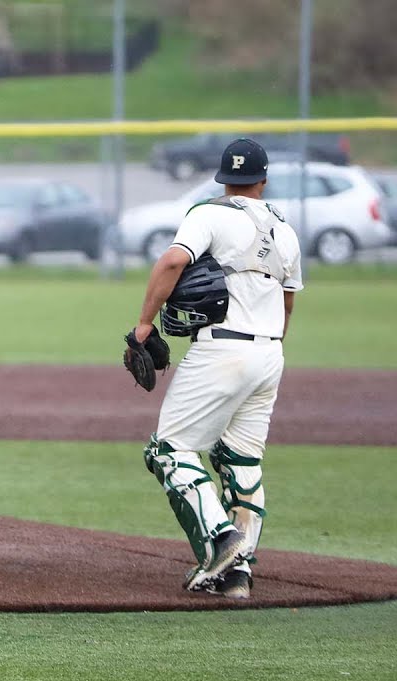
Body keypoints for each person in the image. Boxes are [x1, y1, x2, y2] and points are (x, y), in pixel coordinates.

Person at [136, 138, 302, 600]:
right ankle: (237, 576)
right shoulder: (285, 230)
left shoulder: (208, 213)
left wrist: (145, 323)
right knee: (240, 459)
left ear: (223, 179)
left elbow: (173, 260)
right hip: (270, 354)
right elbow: (288, 304)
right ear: (263, 179)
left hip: (222, 351)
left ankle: (220, 540)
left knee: (169, 451)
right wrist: (266, 354)